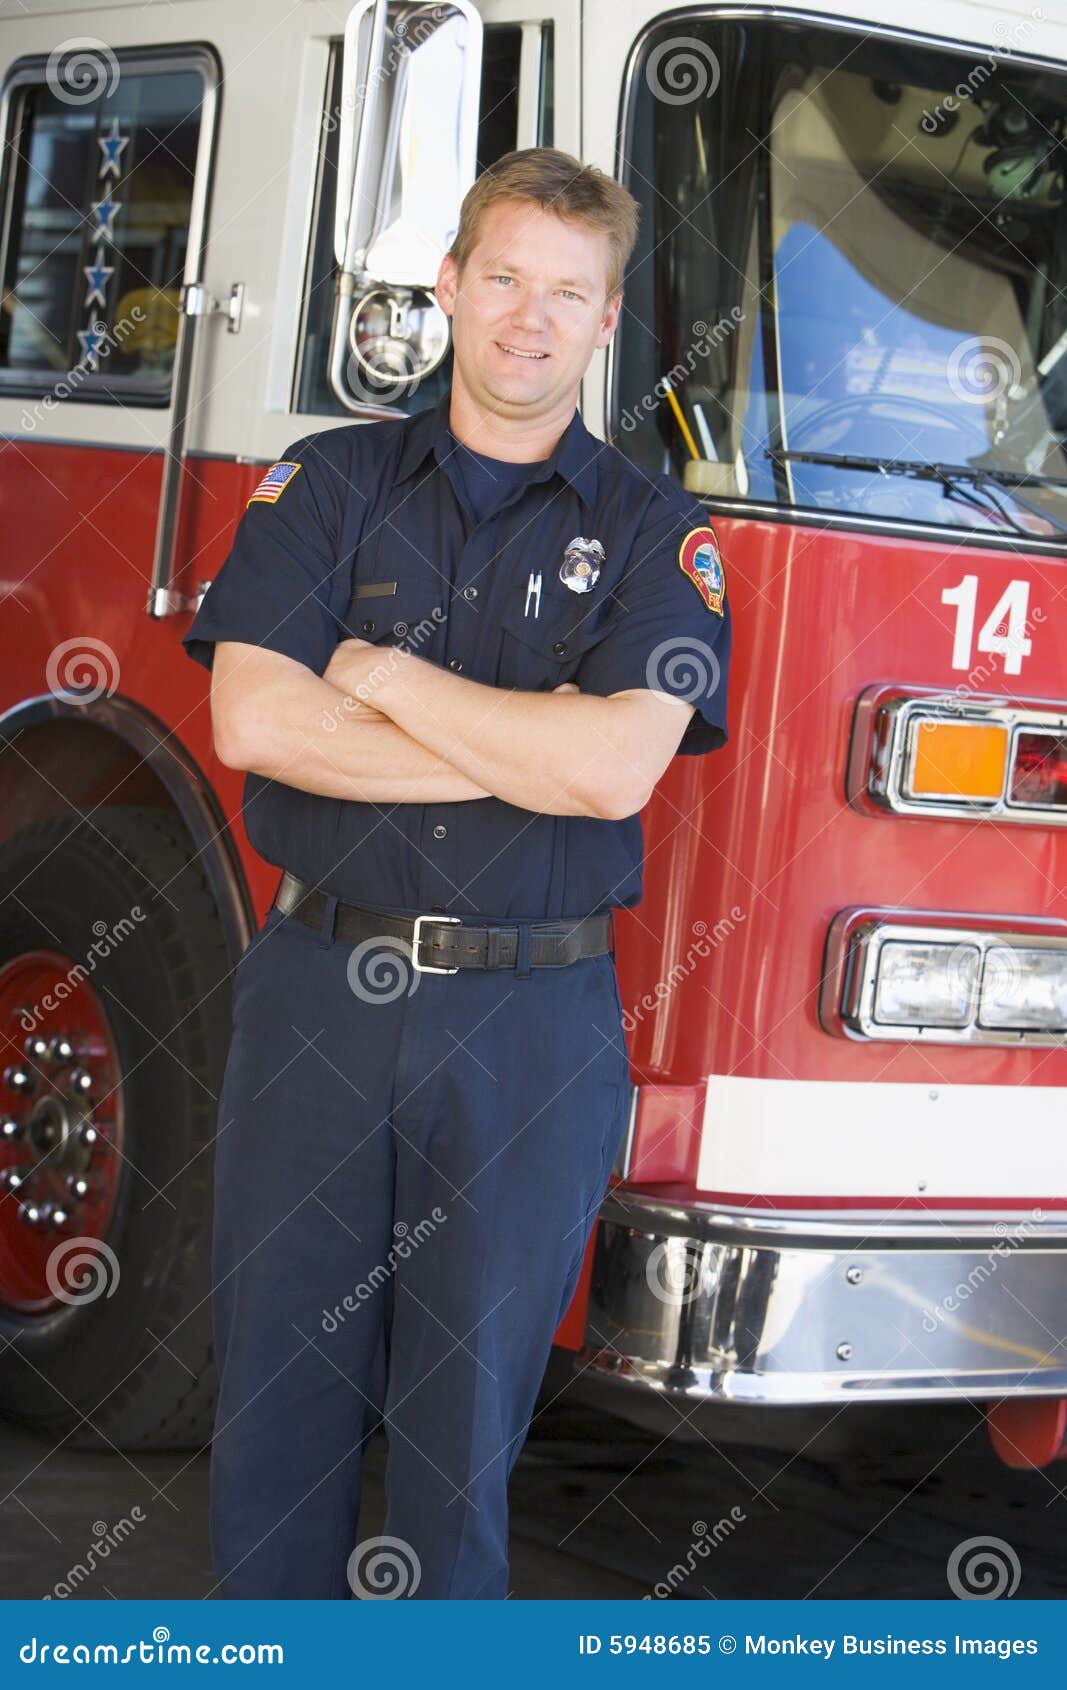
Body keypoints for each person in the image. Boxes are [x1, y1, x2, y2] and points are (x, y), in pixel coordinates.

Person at [181, 146, 732, 1600]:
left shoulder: (660, 533)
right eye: (503, 277)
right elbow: (253, 718)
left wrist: (373, 674)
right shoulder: (326, 482)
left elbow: (616, 772)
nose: (530, 318)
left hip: (531, 1032)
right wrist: (528, 743)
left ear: (608, 319)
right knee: (273, 1420)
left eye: (570, 290)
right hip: (315, 1001)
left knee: (461, 1443)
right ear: (449, 285)